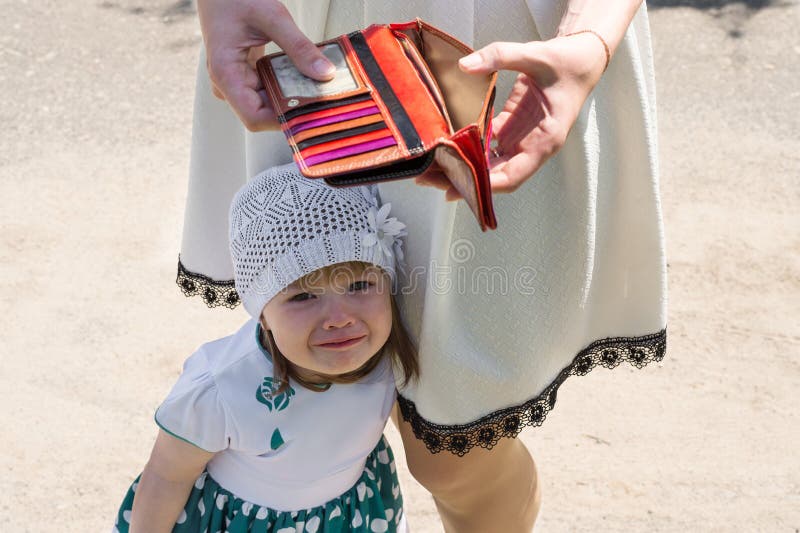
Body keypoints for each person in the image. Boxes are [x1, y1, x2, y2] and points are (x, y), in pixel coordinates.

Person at [179, 1, 667, 531]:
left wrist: (588, 40)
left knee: (454, 448)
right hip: (307, 29)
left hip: (493, 42)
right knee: (325, 367)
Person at [115, 164, 417, 533]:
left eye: (358, 286)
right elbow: (166, 476)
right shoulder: (222, 388)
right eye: (304, 295)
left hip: (352, 514)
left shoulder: (390, 355)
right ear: (263, 316)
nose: (339, 317)